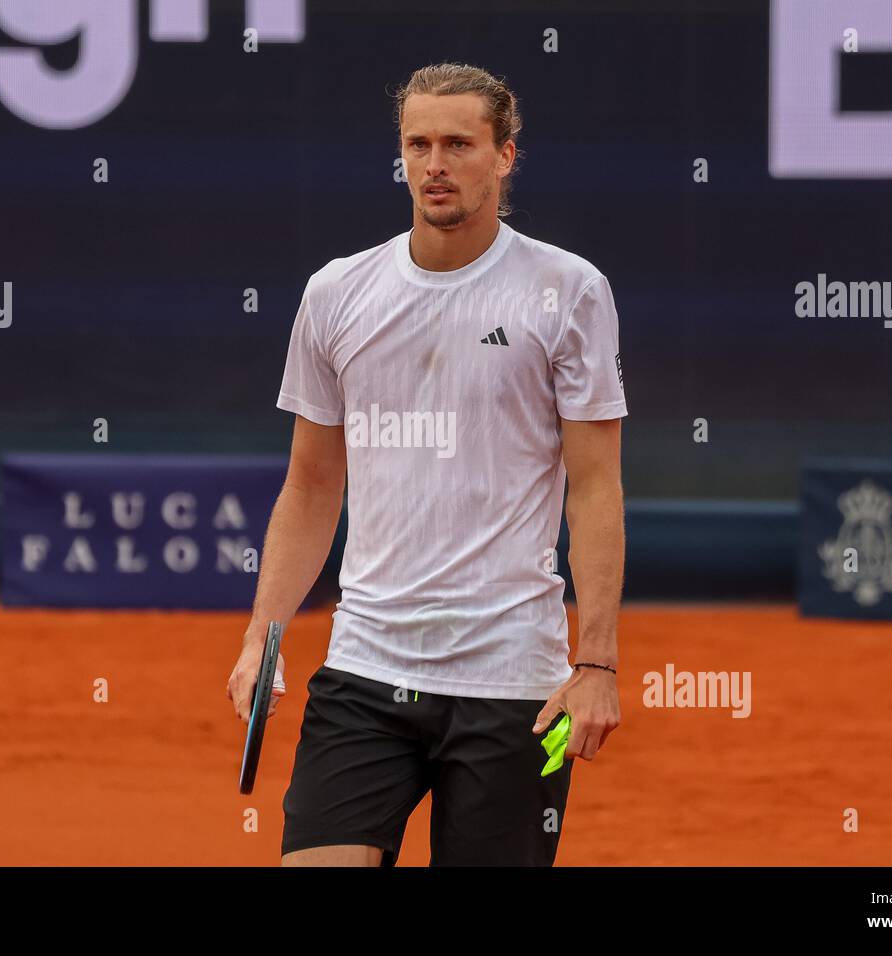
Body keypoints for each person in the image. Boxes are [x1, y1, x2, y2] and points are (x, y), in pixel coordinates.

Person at [227, 62, 627, 866]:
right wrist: (260, 637)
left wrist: (596, 664)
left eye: (458, 143)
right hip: (365, 672)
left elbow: (594, 489)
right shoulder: (337, 293)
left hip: (514, 684)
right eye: (418, 143)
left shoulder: (569, 290)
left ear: (505, 155)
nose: (435, 163)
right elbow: (310, 486)